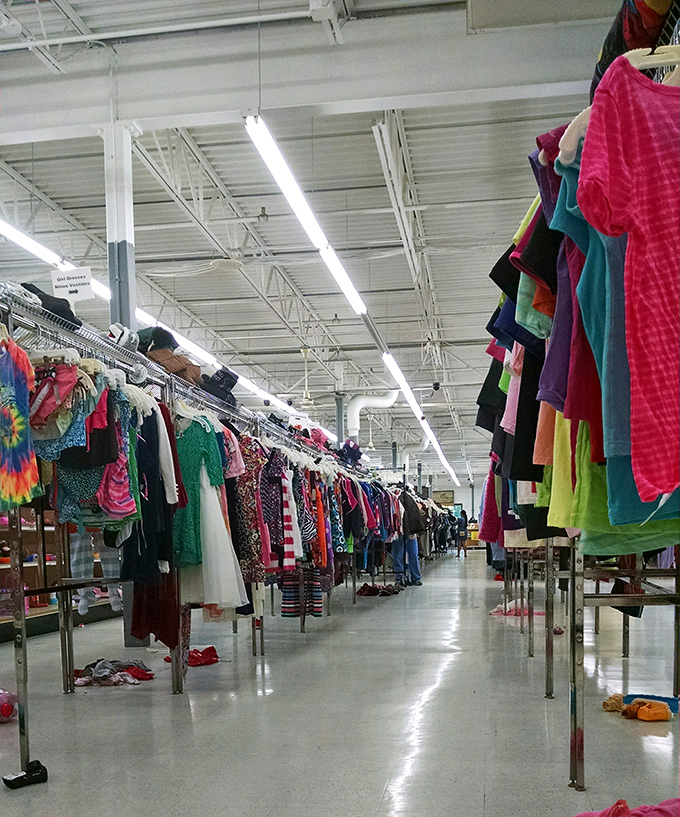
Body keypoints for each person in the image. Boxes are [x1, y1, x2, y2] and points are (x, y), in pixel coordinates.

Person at [394, 488, 425, 587]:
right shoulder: (399, 498)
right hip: (408, 532)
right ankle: (414, 578)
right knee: (412, 556)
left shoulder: (405, 498)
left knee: (399, 556)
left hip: (402, 532)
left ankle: (400, 578)